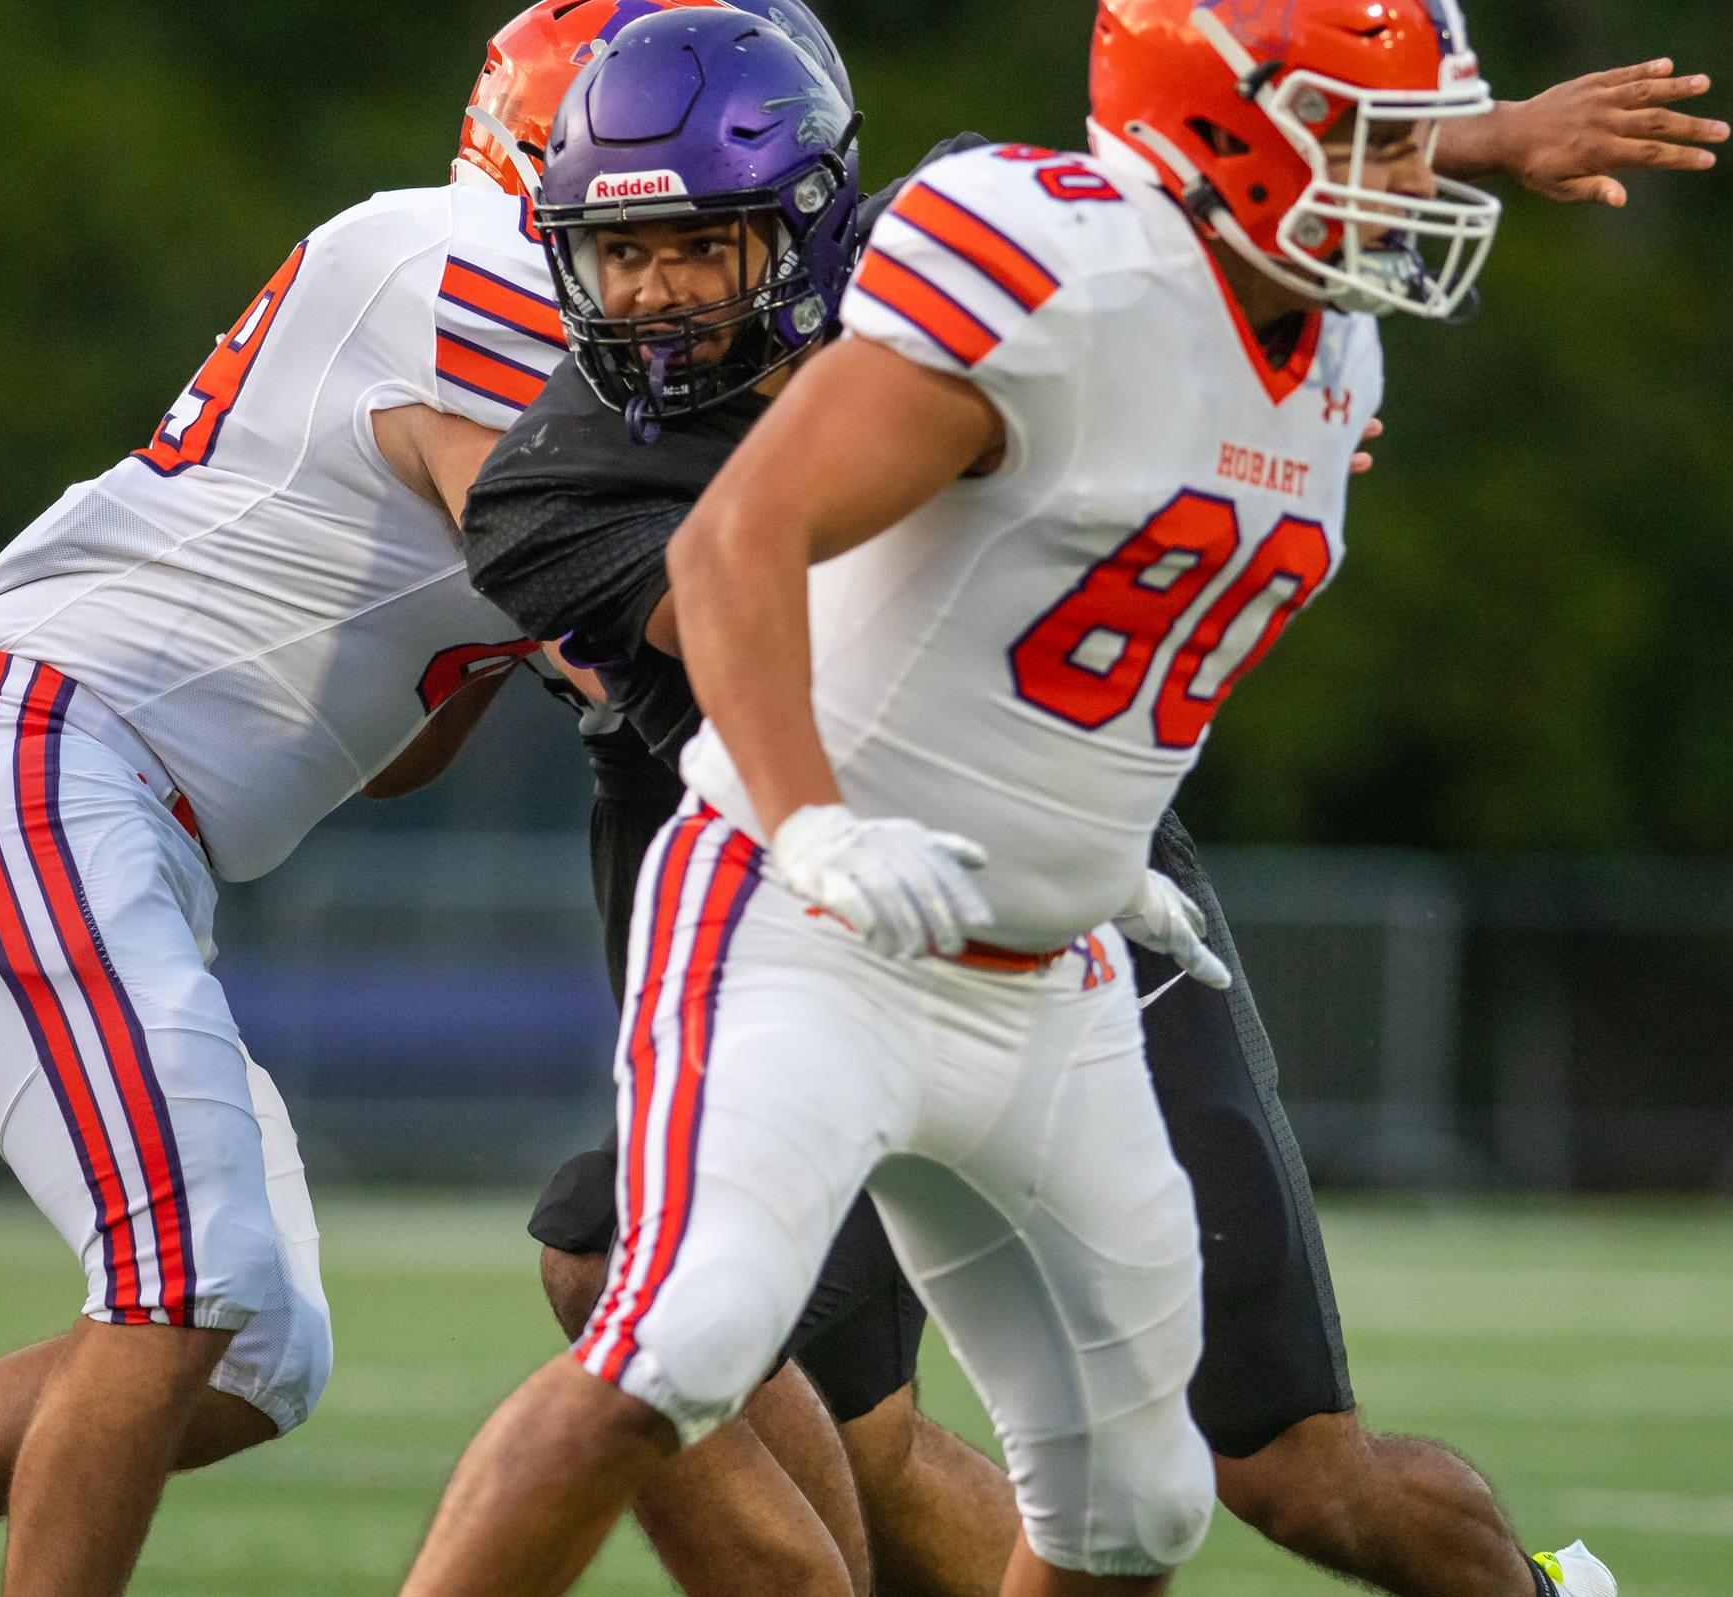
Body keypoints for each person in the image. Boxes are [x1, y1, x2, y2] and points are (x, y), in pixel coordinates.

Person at [405, 3, 1694, 1595]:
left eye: (703, 241)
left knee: (1154, 1501)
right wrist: (817, 826)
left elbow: (1209, 220)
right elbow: (756, 558)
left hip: (1065, 938)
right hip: (815, 895)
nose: (658, 289)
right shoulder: (980, 283)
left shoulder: (1300, 341)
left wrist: (1470, 144)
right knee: (668, 1321)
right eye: (624, 248)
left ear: (808, 215)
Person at [0, 6, 728, 1595]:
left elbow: (399, 743)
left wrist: (513, 632)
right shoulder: (445, 252)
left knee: (255, 1349)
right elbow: (612, 564)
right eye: (668, 210)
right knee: (179, 1278)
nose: (690, 257)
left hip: (84, 791)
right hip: (31, 750)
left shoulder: (506, 346)